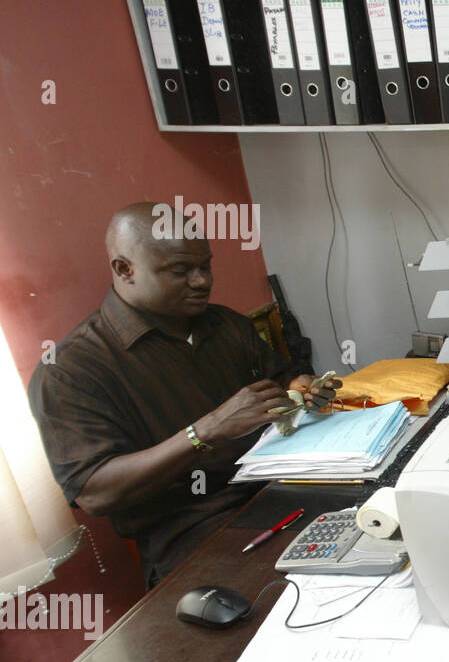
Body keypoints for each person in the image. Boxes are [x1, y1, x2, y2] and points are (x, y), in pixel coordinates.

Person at [27, 202, 340, 587]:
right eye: (180, 270)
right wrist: (205, 431)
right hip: (197, 529)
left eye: (205, 265)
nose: (201, 281)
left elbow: (285, 379)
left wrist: (302, 389)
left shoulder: (224, 324)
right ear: (124, 269)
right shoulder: (70, 369)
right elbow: (95, 493)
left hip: (283, 489)